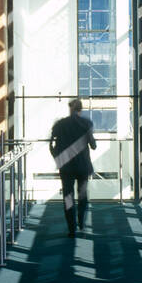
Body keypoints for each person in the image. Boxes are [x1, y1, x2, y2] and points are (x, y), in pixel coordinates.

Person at [49, 98, 97, 237]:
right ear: (80, 110)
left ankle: (71, 228)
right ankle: (81, 222)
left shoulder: (60, 124)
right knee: (82, 195)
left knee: (68, 197)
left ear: (70, 109)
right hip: (82, 166)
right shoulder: (86, 123)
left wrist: (57, 157)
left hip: (66, 166)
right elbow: (93, 146)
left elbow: (51, 144)